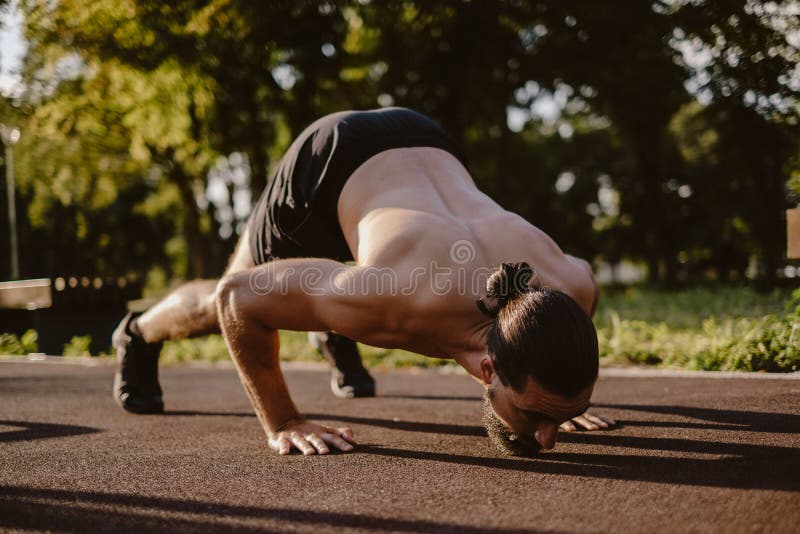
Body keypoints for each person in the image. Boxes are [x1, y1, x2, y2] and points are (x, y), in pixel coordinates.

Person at [112, 107, 615, 456]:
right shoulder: (397, 297)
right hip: (328, 161)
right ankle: (136, 333)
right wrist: (283, 421)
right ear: (488, 369)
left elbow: (575, 300)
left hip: (424, 141)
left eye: (548, 423)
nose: (548, 437)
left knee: (338, 293)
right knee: (220, 306)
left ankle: (325, 316)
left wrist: (557, 396)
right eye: (535, 418)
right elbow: (237, 299)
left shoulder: (570, 285)